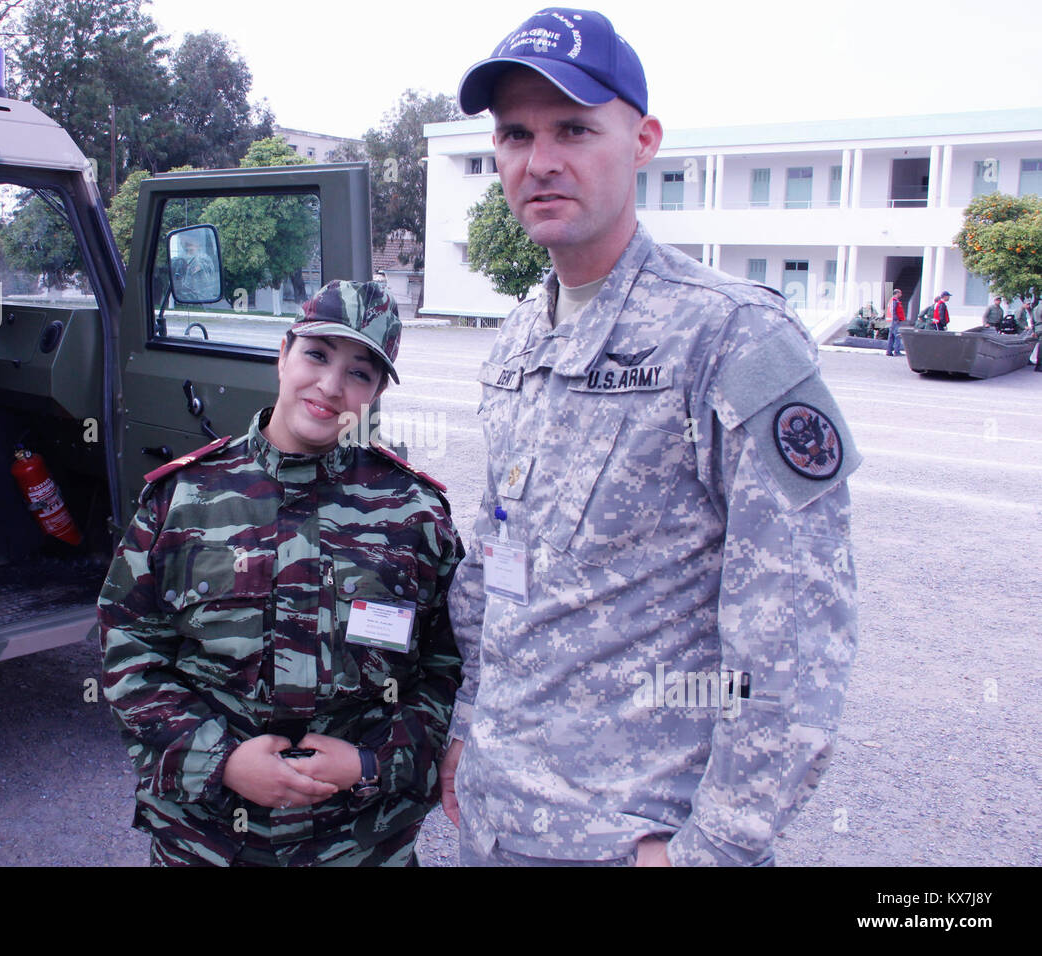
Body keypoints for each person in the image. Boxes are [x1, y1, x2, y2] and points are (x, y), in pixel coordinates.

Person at [440, 7, 859, 867]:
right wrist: (465, 727)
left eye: (574, 128)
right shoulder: (520, 337)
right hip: (496, 819)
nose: (540, 160)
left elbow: (794, 628)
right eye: (515, 134)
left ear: (642, 141)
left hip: (629, 838)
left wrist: (714, 849)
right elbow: (497, 562)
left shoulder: (735, 339)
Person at [99, 279, 463, 866]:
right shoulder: (183, 498)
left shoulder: (414, 513)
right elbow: (129, 648)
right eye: (317, 355)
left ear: (375, 395)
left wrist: (372, 762)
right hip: (208, 841)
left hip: (363, 842)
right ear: (282, 355)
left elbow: (450, 665)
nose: (331, 386)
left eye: (361, 373)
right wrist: (220, 760)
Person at [885, 288, 906, 355]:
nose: (901, 294)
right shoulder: (894, 301)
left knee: (891, 337)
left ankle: (889, 351)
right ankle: (897, 351)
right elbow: (893, 310)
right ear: (897, 293)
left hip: (891, 321)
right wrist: (896, 319)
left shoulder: (891, 300)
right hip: (894, 321)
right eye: (900, 293)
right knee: (897, 336)